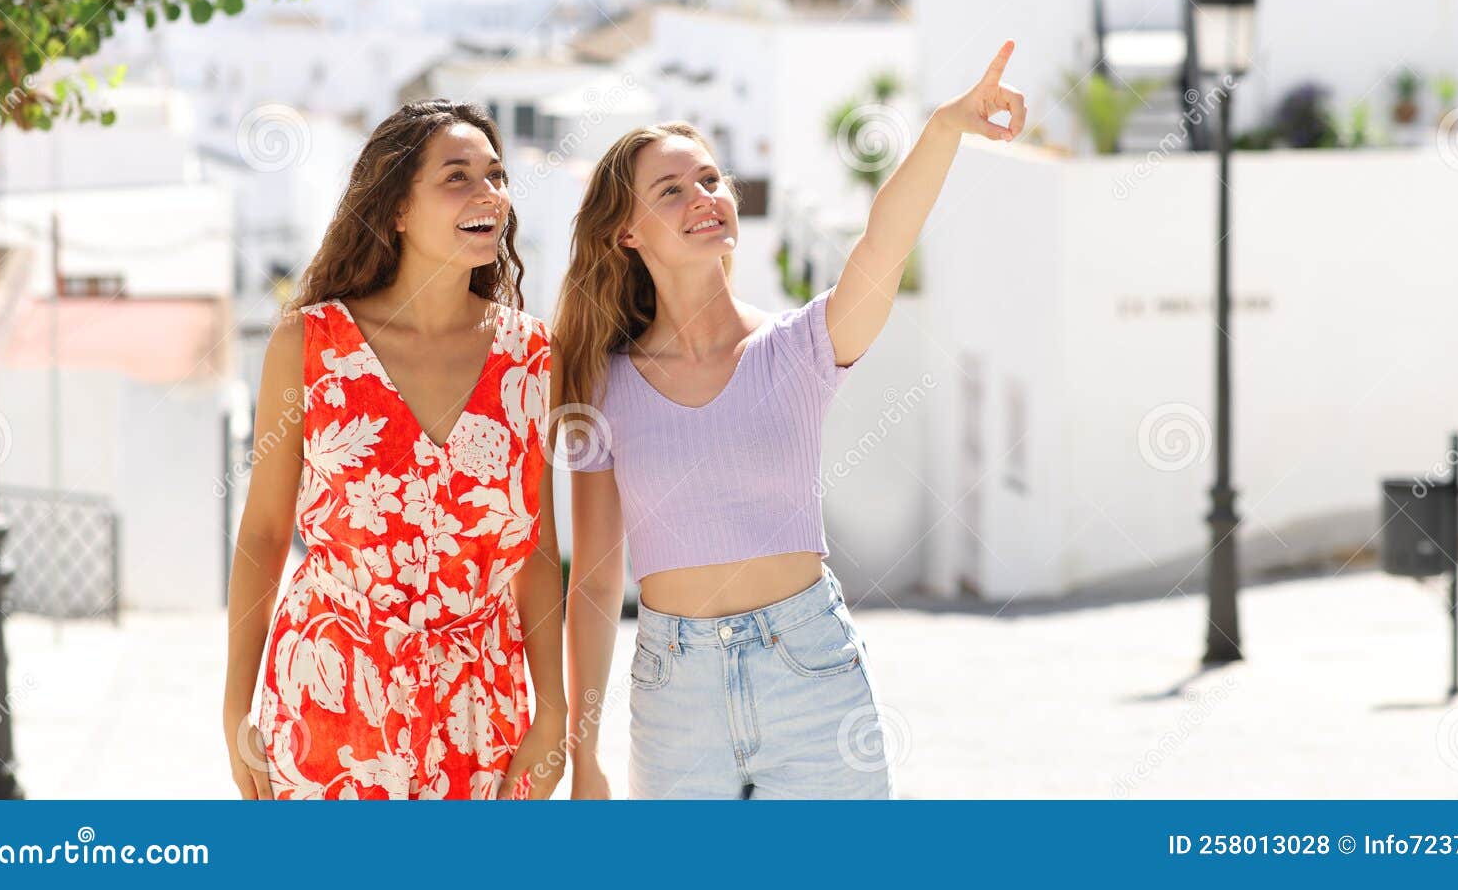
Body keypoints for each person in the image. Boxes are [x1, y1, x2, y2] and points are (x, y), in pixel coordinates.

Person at [554, 41, 1025, 798]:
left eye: (710, 178)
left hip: (811, 674)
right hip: (676, 697)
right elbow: (597, 581)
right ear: (626, 234)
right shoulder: (599, 387)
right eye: (670, 190)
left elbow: (883, 243)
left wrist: (944, 128)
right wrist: (584, 752)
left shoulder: (800, 348)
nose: (703, 195)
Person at [222, 99, 567, 799]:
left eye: (495, 175)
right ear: (398, 209)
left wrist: (553, 708)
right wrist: (236, 707)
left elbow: (536, 549)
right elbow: (261, 530)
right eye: (457, 176)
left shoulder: (532, 356)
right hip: (330, 697)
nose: (488, 194)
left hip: (483, 709)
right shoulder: (309, 344)